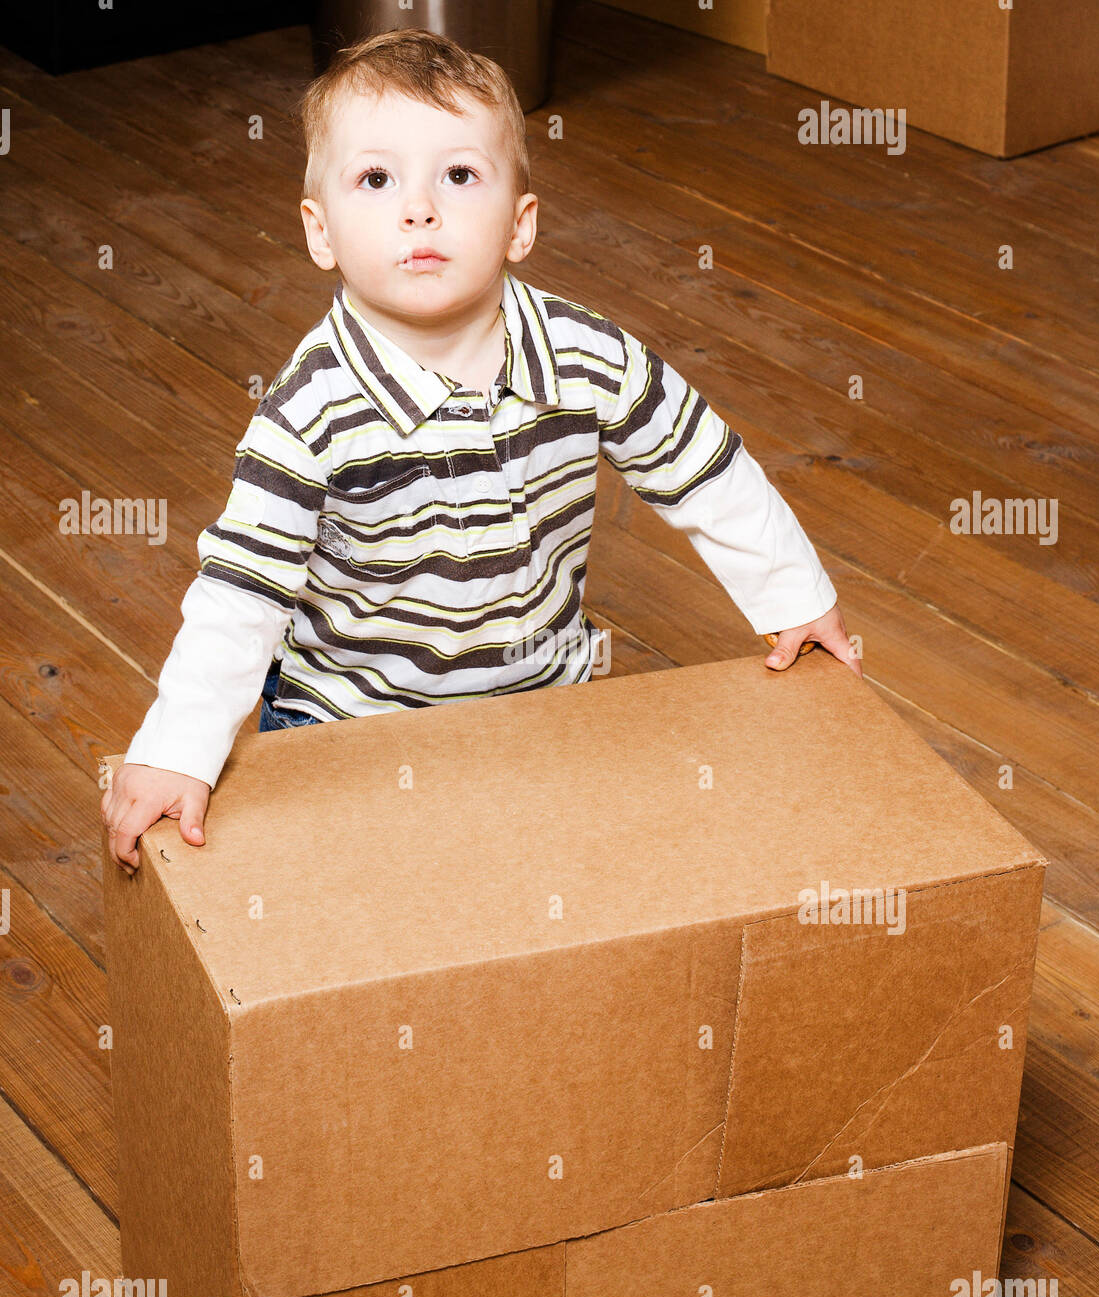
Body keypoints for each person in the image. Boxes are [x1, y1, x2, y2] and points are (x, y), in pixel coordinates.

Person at [102, 27, 861, 875]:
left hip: (541, 703)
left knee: (560, 894)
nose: (418, 208)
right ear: (320, 233)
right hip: (353, 717)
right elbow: (241, 590)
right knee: (365, 909)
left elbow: (702, 466)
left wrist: (793, 596)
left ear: (519, 223)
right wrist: (177, 747)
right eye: (376, 178)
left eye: (458, 175)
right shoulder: (309, 410)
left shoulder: (589, 355)